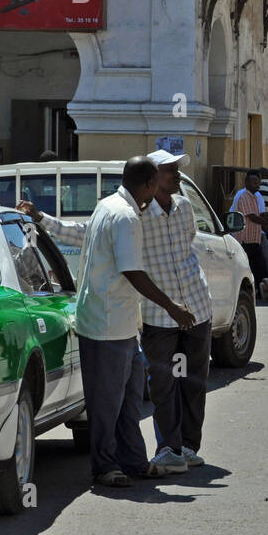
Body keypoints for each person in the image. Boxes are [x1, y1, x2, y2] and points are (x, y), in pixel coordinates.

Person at [25, 151, 212, 473]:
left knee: (182, 386)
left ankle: (171, 452)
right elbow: (96, 243)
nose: (178, 177)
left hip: (186, 306)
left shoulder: (178, 209)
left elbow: (187, 246)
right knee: (154, 389)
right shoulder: (131, 214)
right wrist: (43, 219)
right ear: (152, 181)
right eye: (170, 172)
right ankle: (159, 451)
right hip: (148, 316)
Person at [72, 156, 194, 487]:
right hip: (105, 323)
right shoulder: (124, 216)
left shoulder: (109, 205)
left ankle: (134, 461)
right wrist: (172, 307)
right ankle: (105, 467)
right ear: (147, 186)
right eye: (156, 182)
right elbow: (132, 271)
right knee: (107, 403)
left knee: (130, 400)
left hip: (122, 323)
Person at [230, 170, 268, 302]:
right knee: (248, 268)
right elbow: (252, 217)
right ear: (246, 183)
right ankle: (263, 291)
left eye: (258, 183)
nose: (257, 185)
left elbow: (259, 215)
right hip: (245, 240)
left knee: (260, 267)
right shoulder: (244, 196)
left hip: (254, 239)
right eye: (254, 182)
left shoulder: (255, 196)